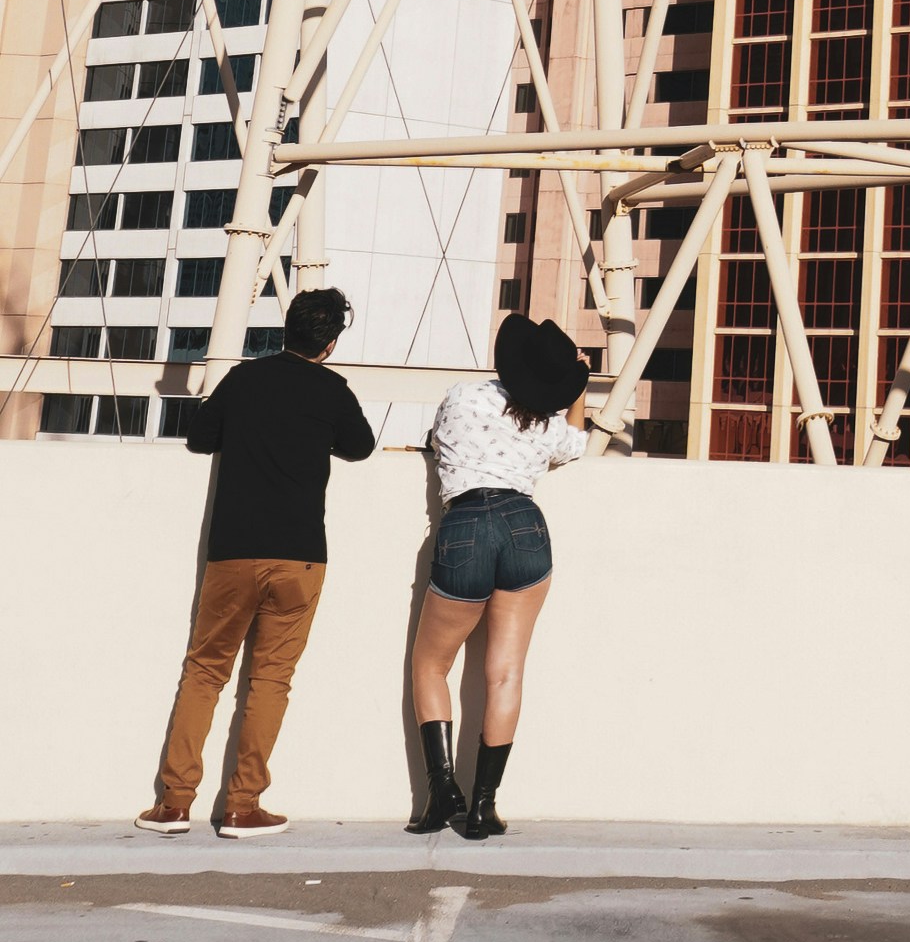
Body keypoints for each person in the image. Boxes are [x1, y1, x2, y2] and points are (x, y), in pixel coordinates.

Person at [135, 284, 374, 840]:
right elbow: (360, 447)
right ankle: (243, 807)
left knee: (204, 672)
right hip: (300, 558)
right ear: (332, 343)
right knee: (270, 680)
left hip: (233, 552)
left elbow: (199, 440)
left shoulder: (243, 378)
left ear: (285, 330)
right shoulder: (333, 389)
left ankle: (173, 804)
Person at [409, 312, 591, 841]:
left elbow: (435, 445)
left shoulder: (462, 396)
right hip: (526, 526)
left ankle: (443, 792)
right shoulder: (546, 421)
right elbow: (576, 442)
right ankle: (485, 806)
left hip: (466, 522)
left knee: (430, 665)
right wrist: (575, 385)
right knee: (506, 673)